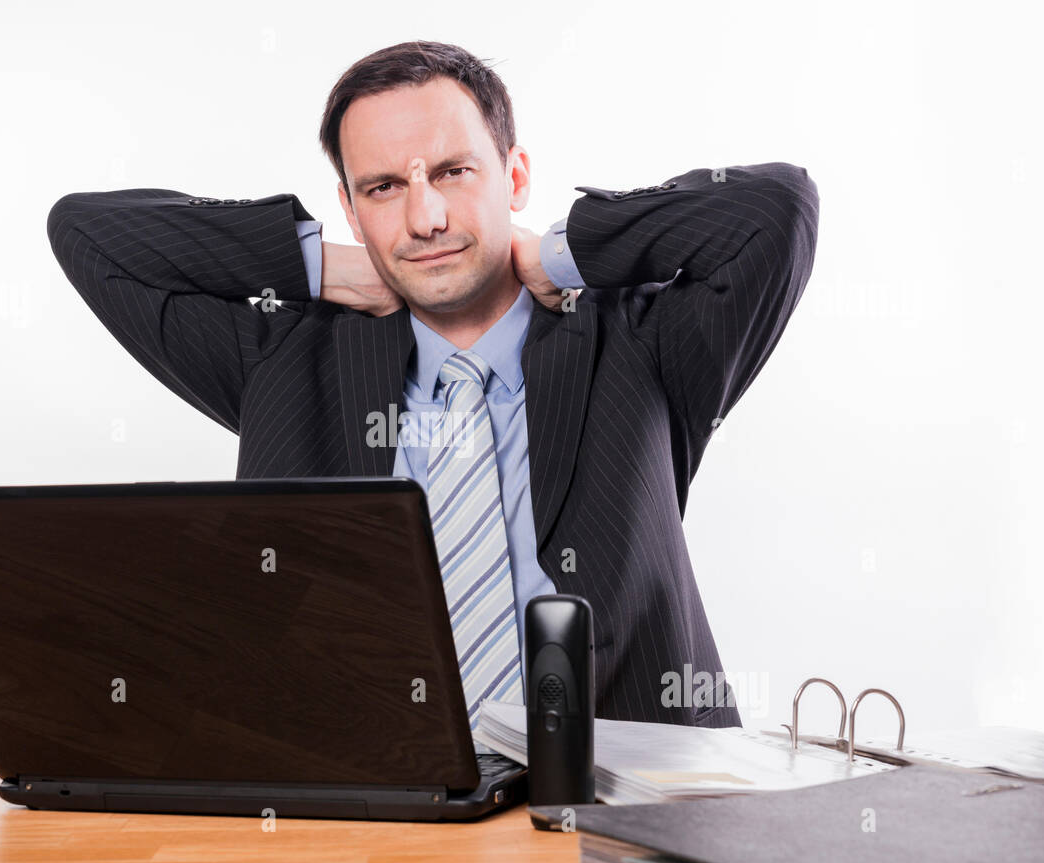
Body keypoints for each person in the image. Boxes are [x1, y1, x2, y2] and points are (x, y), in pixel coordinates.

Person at [46, 40, 819, 733]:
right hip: (375, 811)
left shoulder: (642, 343)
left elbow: (775, 209)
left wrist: (561, 256)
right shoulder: (285, 358)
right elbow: (87, 235)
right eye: (382, 188)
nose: (425, 216)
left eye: (453, 171)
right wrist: (316, 262)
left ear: (515, 176)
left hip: (629, 807)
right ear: (348, 207)